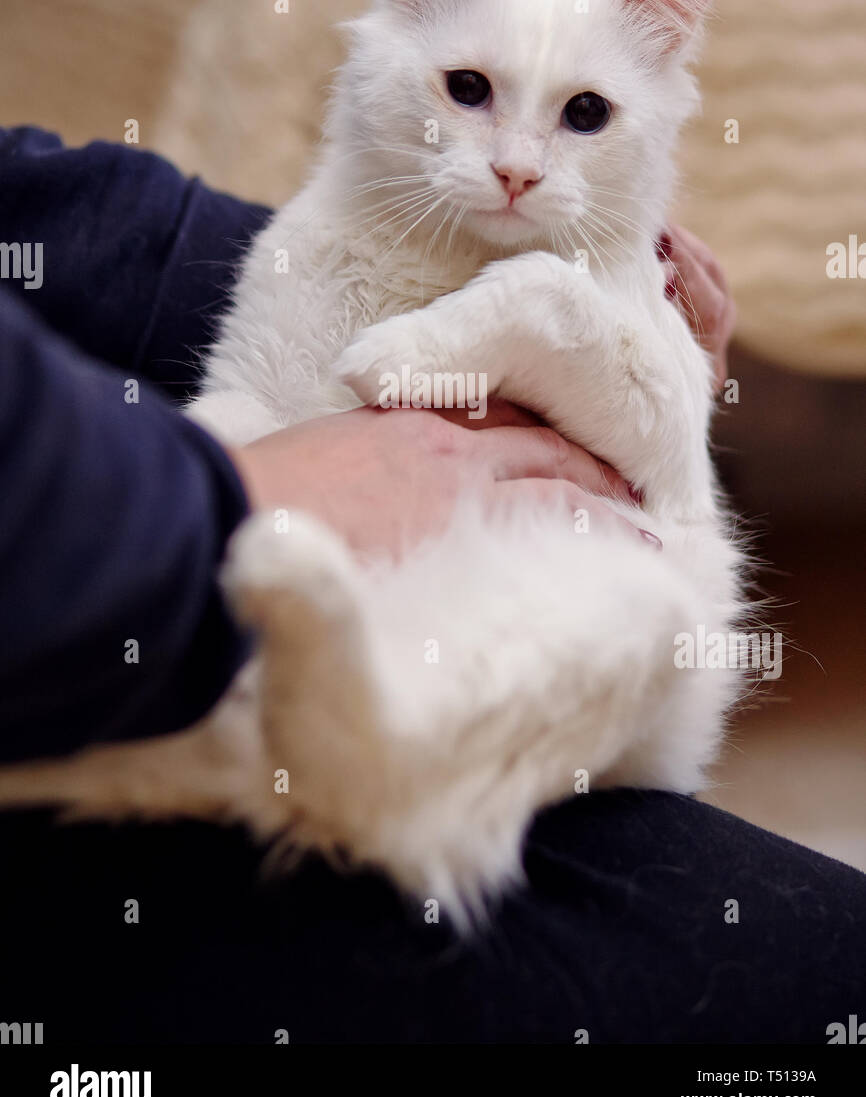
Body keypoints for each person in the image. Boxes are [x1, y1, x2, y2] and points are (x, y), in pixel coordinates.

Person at [0, 125, 861, 1045]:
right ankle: (340, 738)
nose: (521, 162)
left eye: (584, 115)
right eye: (470, 91)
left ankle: (320, 732)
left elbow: (42, 209)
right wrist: (237, 497)